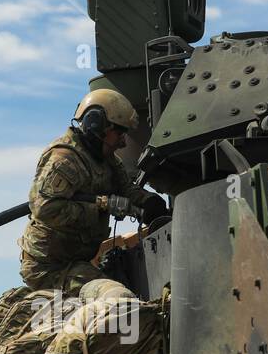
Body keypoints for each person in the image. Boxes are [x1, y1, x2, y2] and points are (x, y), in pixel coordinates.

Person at [18, 88, 164, 294]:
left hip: (79, 261)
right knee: (113, 297)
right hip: (49, 268)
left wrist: (149, 203)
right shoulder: (65, 160)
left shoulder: (108, 160)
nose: (123, 142)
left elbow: (127, 190)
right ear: (97, 125)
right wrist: (101, 205)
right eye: (119, 133)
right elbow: (45, 209)